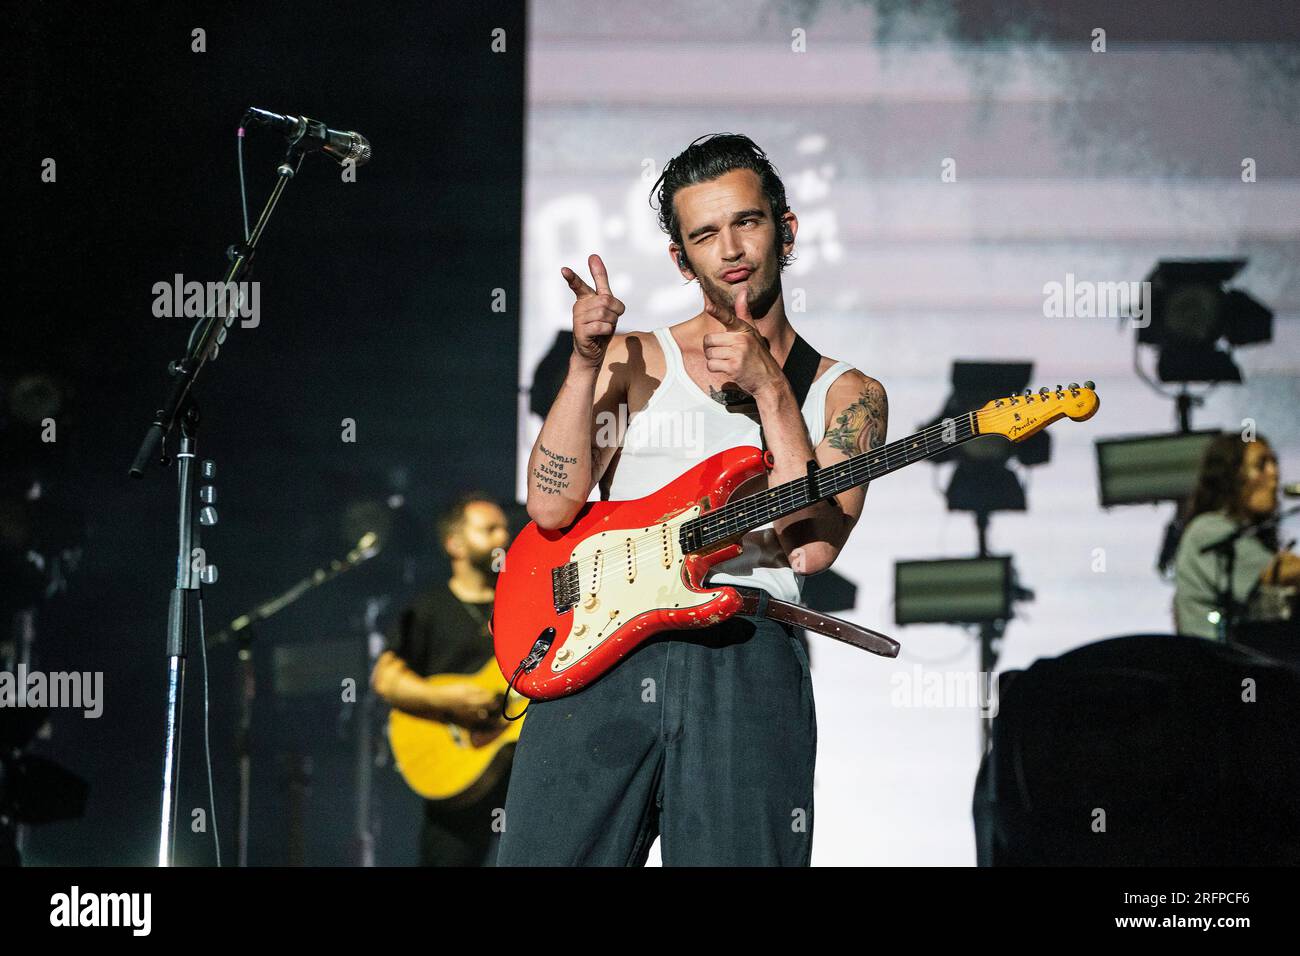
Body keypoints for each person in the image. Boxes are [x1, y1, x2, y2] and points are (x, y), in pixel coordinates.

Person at [497, 133, 888, 866]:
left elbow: (810, 545)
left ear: (787, 229)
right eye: (705, 234)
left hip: (743, 655)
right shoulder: (633, 357)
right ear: (681, 258)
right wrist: (585, 364)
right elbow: (550, 509)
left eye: (748, 222)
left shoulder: (847, 393)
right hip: (602, 649)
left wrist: (773, 388)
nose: (731, 249)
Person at [370, 492, 512, 866]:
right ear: (455, 544)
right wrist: (451, 702)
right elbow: (386, 680)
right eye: (489, 529)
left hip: (519, 773)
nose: (503, 538)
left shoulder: (520, 603)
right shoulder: (428, 608)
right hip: (456, 777)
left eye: (505, 529)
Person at [1173, 432, 1300, 640]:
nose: (1274, 473)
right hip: (1216, 664)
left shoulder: (1247, 535)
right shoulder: (1208, 530)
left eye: (1274, 463)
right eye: (1261, 465)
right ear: (1230, 476)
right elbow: (1282, 573)